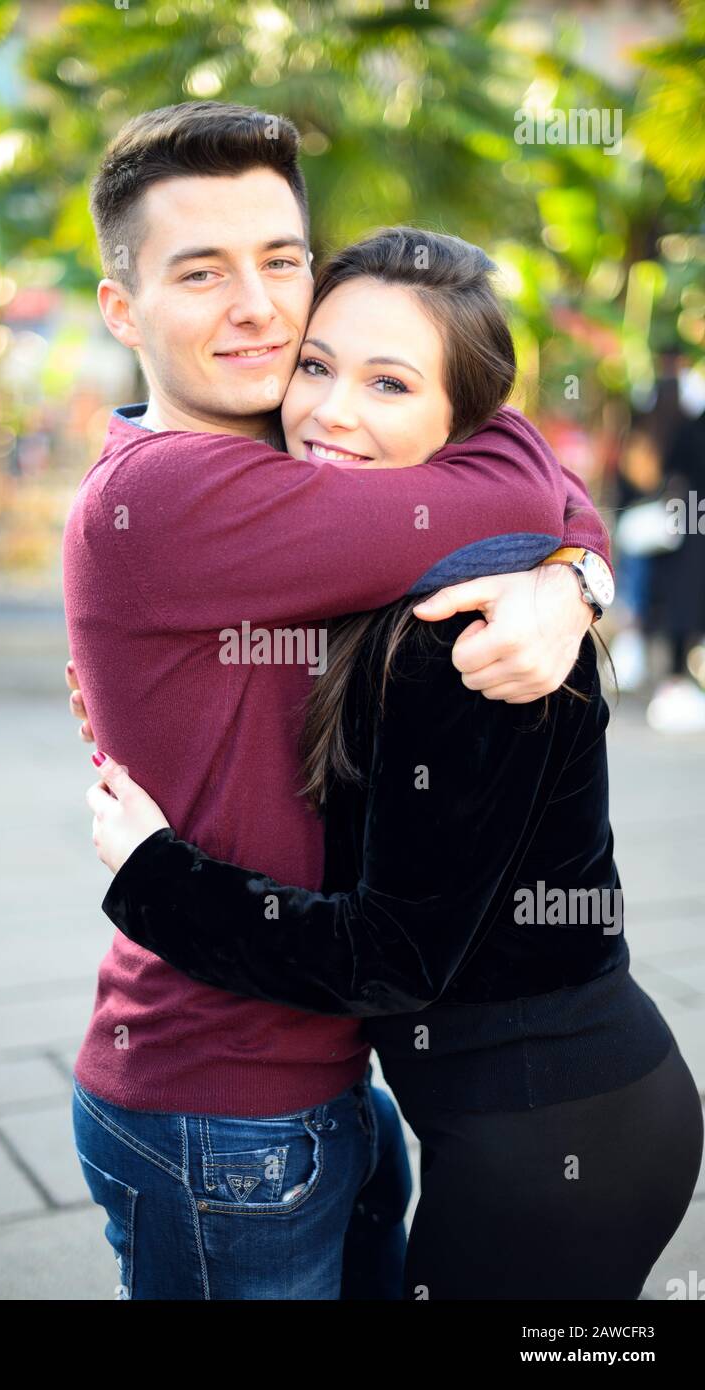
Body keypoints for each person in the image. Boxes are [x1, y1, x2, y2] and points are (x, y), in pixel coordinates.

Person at [82, 225, 703, 1301]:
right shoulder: (395, 559)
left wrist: (152, 875)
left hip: (556, 1139)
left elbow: (392, 956)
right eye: (316, 366)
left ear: (459, 431)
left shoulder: (465, 636)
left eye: (389, 382)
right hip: (540, 1112)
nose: (332, 411)